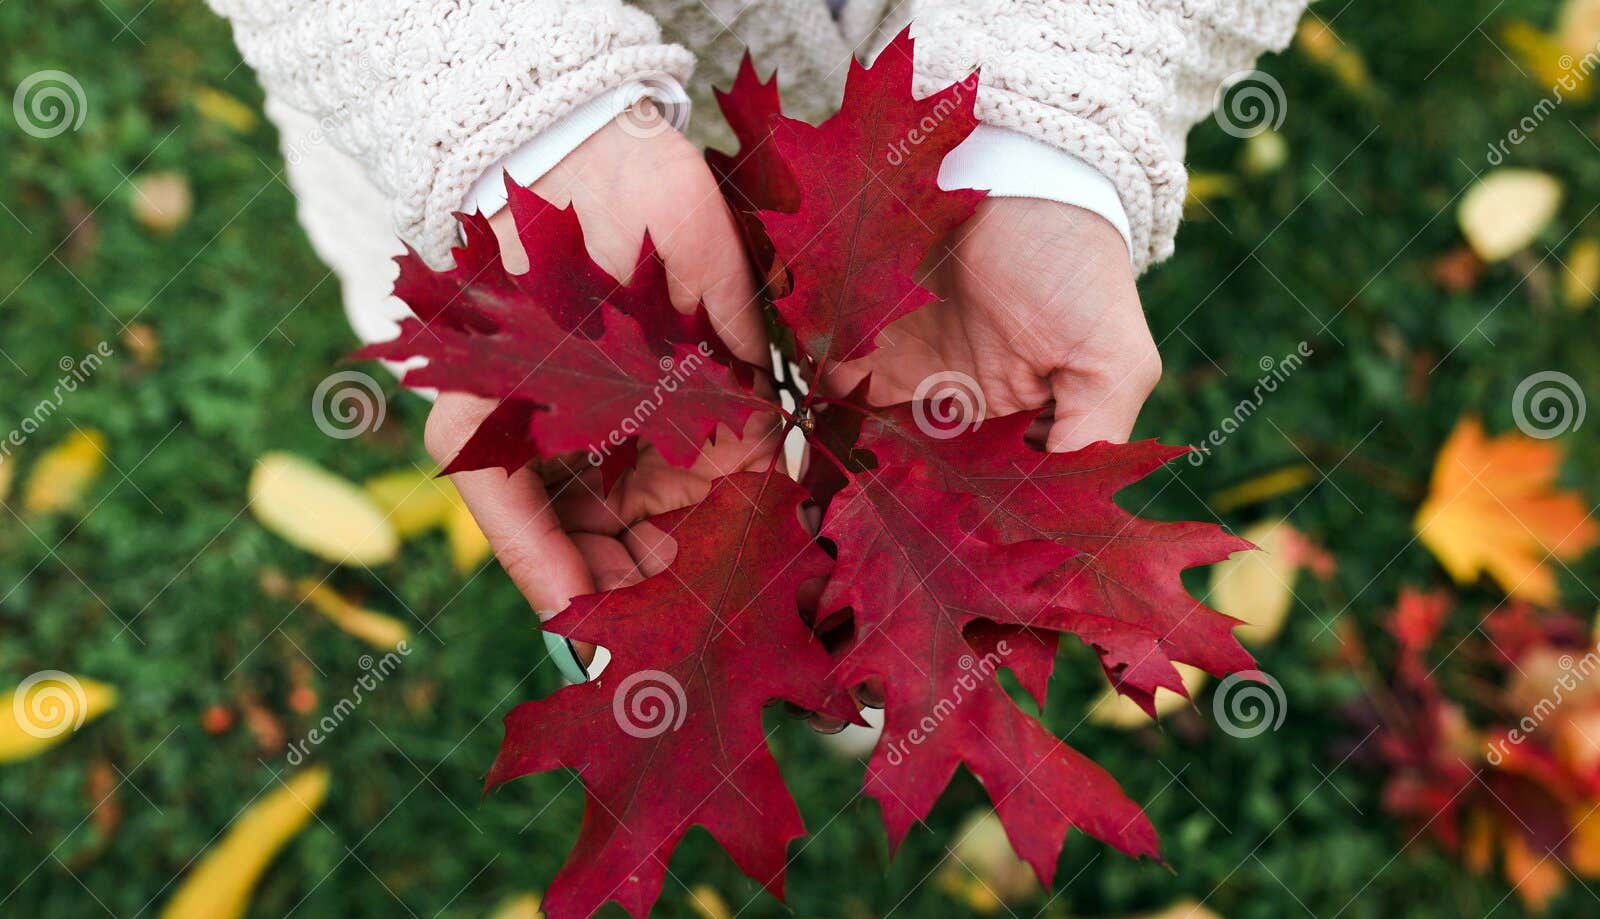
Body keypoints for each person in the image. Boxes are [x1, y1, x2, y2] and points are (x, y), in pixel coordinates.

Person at [207, 0, 1308, 628]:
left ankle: (863, 662)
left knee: (859, 577)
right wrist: (528, 136)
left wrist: (1046, 137)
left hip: (955, 220)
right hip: (466, 153)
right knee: (644, 509)